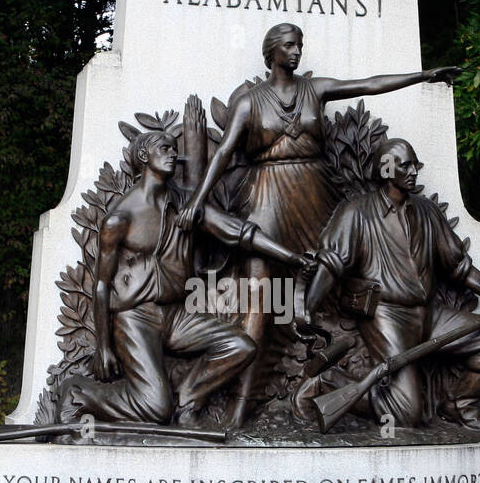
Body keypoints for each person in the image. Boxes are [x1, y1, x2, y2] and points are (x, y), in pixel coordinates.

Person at [177, 22, 460, 426]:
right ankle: (240, 403)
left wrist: (423, 75)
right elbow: (223, 154)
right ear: (271, 51)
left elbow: (370, 84)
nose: (297, 53)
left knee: (328, 280)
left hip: (315, 196)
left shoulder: (316, 89)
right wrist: (197, 202)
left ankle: (340, 383)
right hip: (267, 200)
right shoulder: (250, 103)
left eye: (300, 46)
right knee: (260, 298)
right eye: (290, 46)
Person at [62, 128, 315, 427]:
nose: (173, 154)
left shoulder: (186, 204)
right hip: (136, 318)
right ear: (144, 156)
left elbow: (240, 233)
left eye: (173, 148)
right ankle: (78, 394)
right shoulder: (121, 217)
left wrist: (293, 258)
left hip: (176, 315)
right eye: (164, 149)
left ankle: (187, 401)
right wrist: (103, 346)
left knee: (240, 346)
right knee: (155, 408)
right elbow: (102, 284)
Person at [297, 138, 480, 433]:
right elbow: (332, 265)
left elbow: (459, 267)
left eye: (414, 164)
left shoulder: (427, 211)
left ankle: (460, 405)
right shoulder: (355, 212)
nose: (413, 171)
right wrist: (308, 309)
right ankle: (328, 382)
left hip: (431, 315)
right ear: (385, 170)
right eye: (404, 165)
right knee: (405, 415)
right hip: (387, 316)